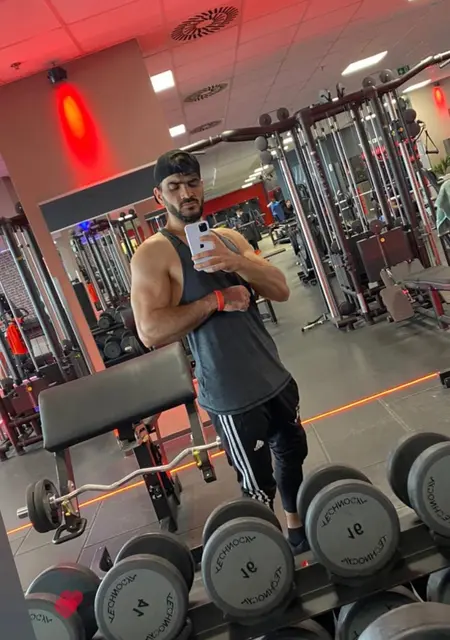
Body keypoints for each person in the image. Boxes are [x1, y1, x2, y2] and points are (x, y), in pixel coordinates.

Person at [131, 149, 308, 551]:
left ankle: (296, 531)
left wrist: (234, 261)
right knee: (257, 485)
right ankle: (269, 555)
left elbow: (280, 289)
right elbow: (149, 331)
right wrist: (217, 299)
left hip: (274, 377)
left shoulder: (229, 238)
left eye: (192, 183)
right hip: (231, 395)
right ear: (160, 196)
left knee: (293, 455)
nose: (186, 193)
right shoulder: (154, 253)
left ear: (202, 186)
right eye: (174, 187)